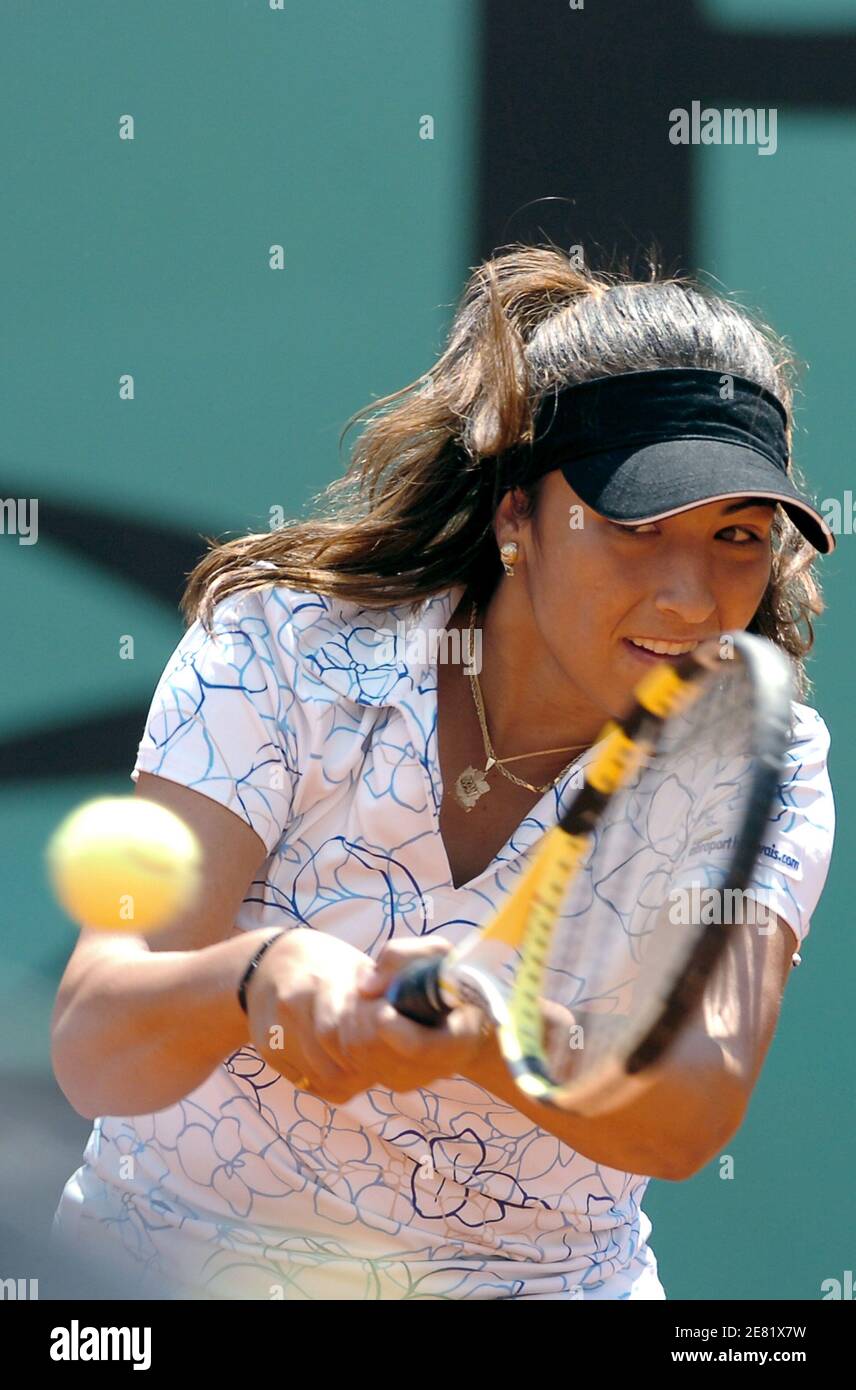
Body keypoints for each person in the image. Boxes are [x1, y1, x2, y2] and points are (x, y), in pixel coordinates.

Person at [50, 247, 835, 1300]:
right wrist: (259, 976)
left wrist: (492, 1035)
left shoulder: (764, 763)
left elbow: (691, 1107)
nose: (691, 597)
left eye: (737, 535)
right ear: (517, 516)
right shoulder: (282, 652)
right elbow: (98, 1036)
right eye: (635, 527)